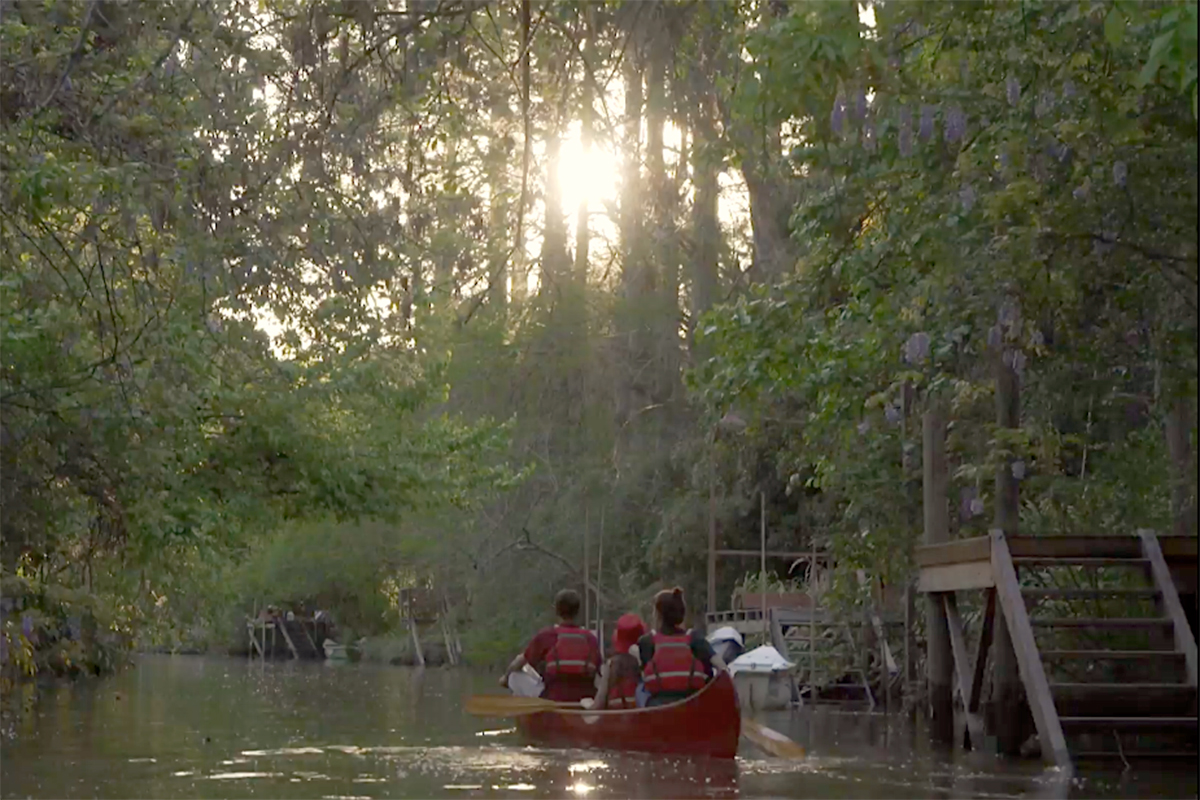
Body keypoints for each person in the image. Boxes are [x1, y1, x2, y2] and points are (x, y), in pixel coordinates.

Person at [500, 589, 601, 703]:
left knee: (514, 676)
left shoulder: (547, 635)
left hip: (552, 698)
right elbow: (600, 671)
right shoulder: (590, 638)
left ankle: (528, 717)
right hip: (586, 699)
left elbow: (519, 662)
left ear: (556, 611)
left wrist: (505, 678)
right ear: (578, 611)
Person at [638, 587, 726, 707]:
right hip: (694, 704)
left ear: (658, 615)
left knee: (640, 688)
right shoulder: (695, 638)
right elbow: (722, 668)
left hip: (659, 709)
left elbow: (641, 674)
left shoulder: (647, 641)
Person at [590, 613, 646, 709]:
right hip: (641, 721)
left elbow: (599, 703)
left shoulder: (612, 664)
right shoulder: (647, 666)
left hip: (616, 721)